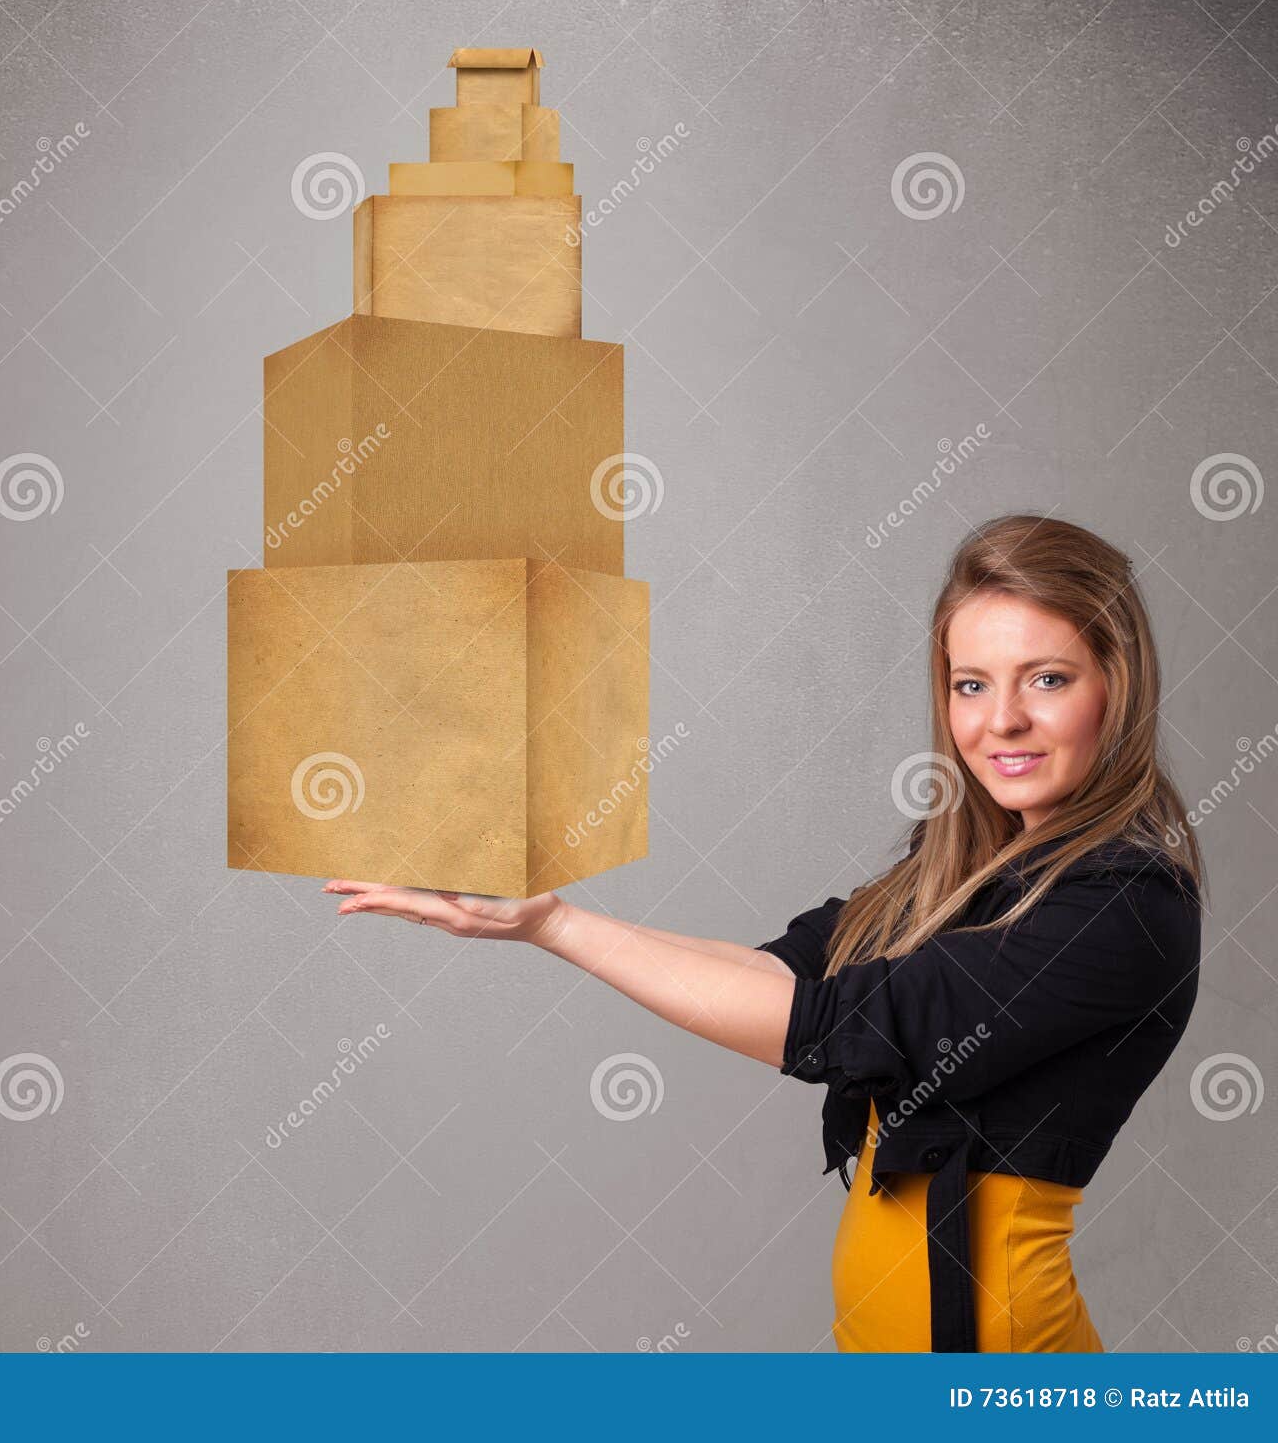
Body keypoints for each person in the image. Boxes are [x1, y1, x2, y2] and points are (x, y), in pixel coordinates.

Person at [323, 514, 1203, 1352]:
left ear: (1115, 686)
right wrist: (535, 916)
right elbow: (780, 975)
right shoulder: (960, 872)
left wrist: (557, 926)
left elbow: (828, 1026)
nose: (1000, 718)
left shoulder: (1126, 906)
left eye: (1046, 678)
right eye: (971, 683)